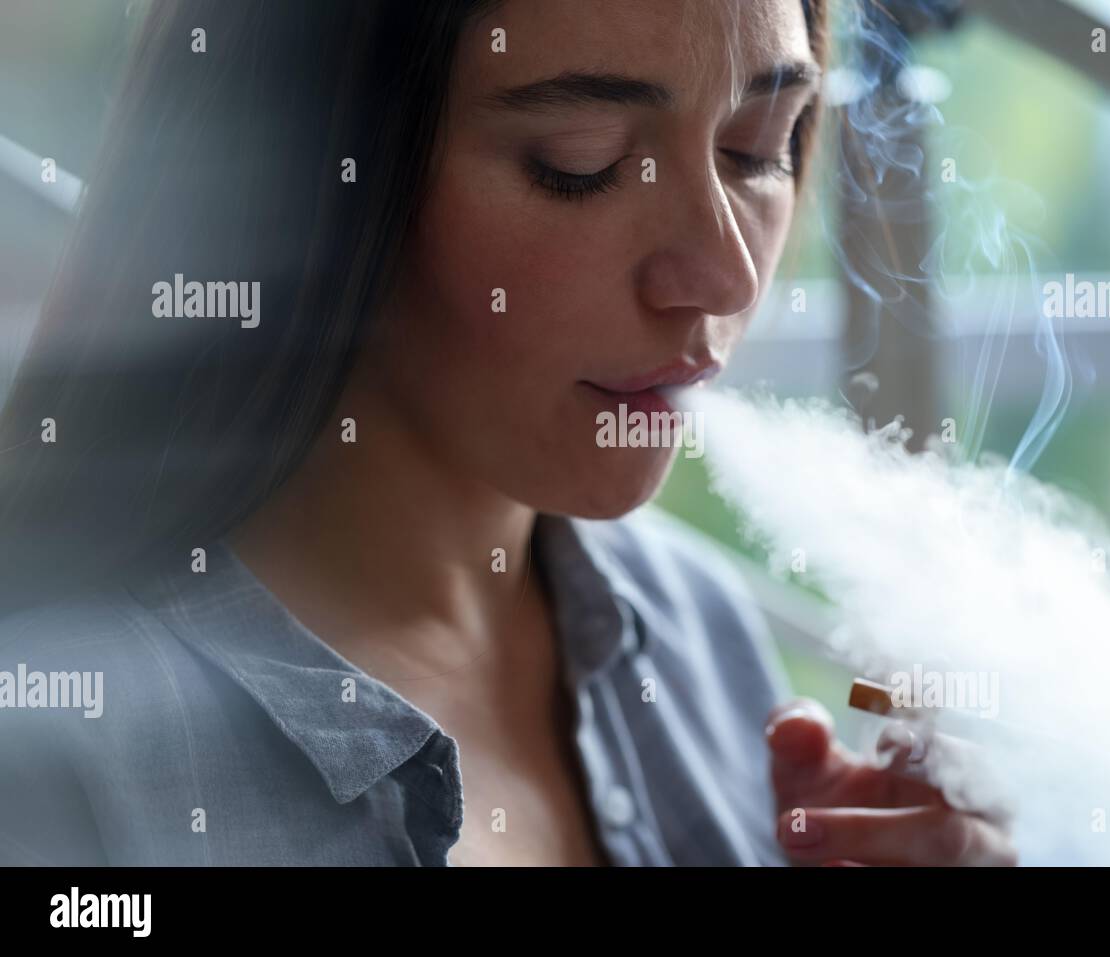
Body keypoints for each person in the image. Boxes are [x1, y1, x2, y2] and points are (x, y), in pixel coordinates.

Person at [0, 0, 1015, 866]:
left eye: (758, 148)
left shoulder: (701, 634)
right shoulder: (57, 763)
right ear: (317, 178)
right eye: (585, 165)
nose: (726, 277)